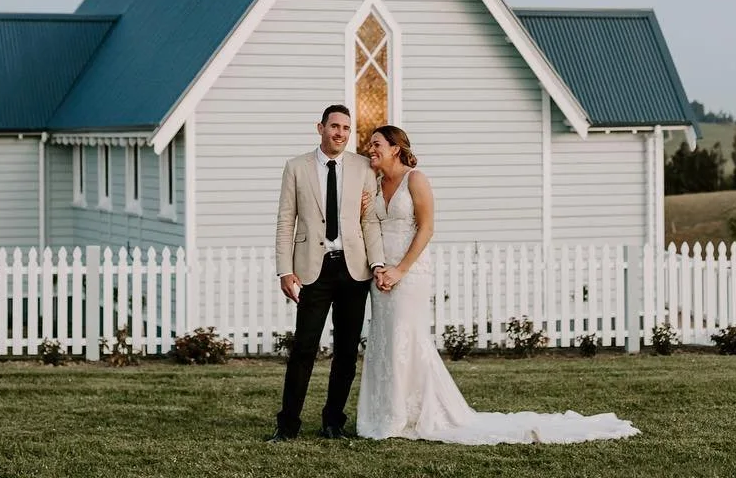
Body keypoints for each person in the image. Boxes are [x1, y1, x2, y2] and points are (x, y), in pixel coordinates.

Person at [356, 124, 640, 444]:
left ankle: (415, 413)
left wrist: (401, 270)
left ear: (395, 148)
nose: (370, 148)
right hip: (382, 276)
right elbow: (370, 227)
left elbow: (426, 229)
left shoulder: (416, 180)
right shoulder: (376, 183)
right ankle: (385, 412)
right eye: (370, 143)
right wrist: (379, 265)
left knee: (406, 338)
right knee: (385, 340)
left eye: (377, 143)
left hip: (410, 272)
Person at [269, 105, 386, 441]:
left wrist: (377, 263)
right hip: (311, 270)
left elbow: (370, 222)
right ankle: (287, 426)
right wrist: (284, 271)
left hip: (354, 270)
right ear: (320, 128)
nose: (341, 133)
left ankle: (333, 422)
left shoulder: (363, 167)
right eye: (335, 126)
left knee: (347, 351)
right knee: (304, 348)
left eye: (347, 128)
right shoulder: (296, 168)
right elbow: (284, 221)